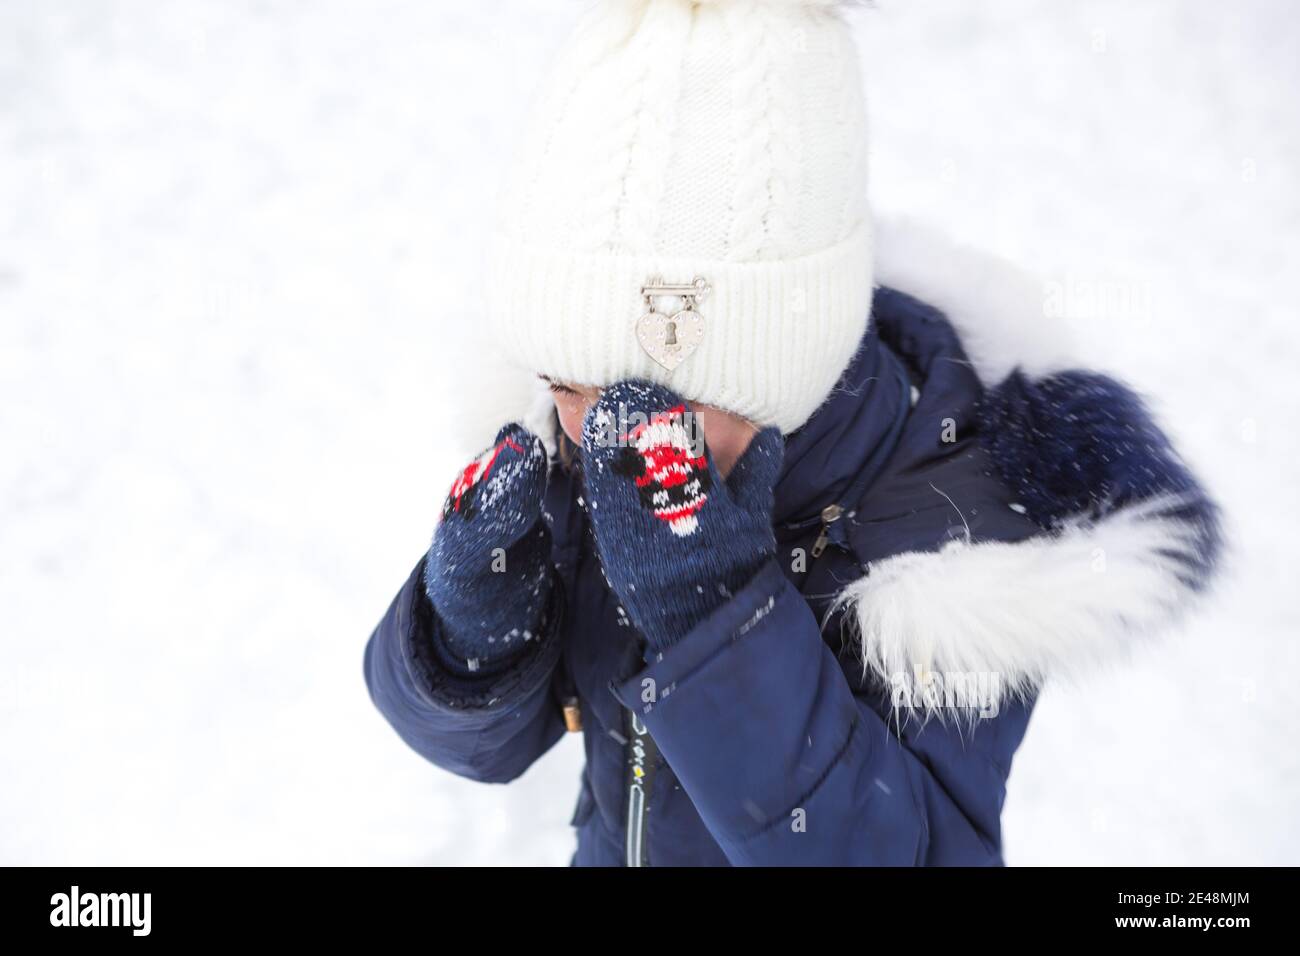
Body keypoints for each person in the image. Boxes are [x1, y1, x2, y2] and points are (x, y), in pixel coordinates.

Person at [362, 0, 1222, 866]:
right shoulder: (579, 448)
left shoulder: (947, 541)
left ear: (785, 365)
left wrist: (716, 616)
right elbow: (486, 746)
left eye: (669, 399)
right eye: (564, 383)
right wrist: (469, 637)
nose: (602, 436)